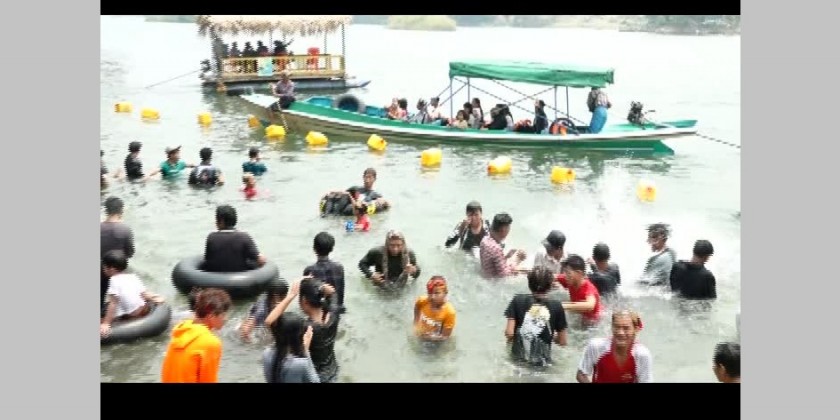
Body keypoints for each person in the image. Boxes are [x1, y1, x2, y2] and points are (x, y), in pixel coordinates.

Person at [265, 277, 341, 383]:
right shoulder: (334, 316)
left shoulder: (306, 327)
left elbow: (270, 321)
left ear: (304, 301)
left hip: (313, 376)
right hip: (332, 372)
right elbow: (333, 292)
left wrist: (291, 295)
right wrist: (319, 286)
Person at [161, 288, 233, 383]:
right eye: (223, 314)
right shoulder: (209, 342)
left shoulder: (182, 329)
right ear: (211, 316)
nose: (226, 318)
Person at [504, 267, 568, 366]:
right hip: (542, 364)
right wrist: (551, 335)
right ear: (550, 286)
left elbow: (509, 333)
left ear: (529, 285)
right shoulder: (557, 306)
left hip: (518, 360)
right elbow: (563, 341)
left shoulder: (517, 300)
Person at [100, 250, 164, 338]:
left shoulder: (114, 281)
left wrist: (106, 323)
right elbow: (144, 294)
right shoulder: (133, 277)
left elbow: (113, 304)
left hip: (132, 315)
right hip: (144, 310)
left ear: (111, 269)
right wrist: (155, 298)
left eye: (104, 267)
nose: (103, 270)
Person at [576, 310, 652, 383]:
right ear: (612, 327)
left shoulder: (642, 354)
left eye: (626, 328)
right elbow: (581, 374)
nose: (620, 332)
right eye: (616, 327)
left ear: (636, 329)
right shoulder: (596, 346)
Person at [203, 205, 267, 273]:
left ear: (221, 221)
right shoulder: (244, 237)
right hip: (241, 279)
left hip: (214, 279)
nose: (215, 222)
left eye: (216, 220)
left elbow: (207, 260)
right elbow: (260, 261)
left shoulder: (211, 237)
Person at [101, 197, 135, 315]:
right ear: (121, 211)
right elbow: (130, 253)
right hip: (118, 269)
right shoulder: (125, 229)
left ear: (106, 210)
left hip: (102, 269)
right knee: (120, 299)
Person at [265, 313, 320, 383]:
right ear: (298, 337)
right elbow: (316, 381)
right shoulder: (299, 364)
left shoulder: (267, 353)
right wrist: (305, 350)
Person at [302, 232, 346, 313]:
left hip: (319, 313)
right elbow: (341, 297)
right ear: (332, 249)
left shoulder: (309, 270)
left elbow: (304, 301)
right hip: (337, 311)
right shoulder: (339, 268)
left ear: (314, 248)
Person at [321, 168, 390, 216]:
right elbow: (343, 193)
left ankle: (335, 215)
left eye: (370, 178)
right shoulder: (356, 188)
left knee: (348, 197)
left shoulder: (374, 194)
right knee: (334, 196)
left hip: (355, 209)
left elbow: (386, 204)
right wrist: (330, 192)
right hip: (344, 207)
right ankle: (327, 215)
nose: (367, 180)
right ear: (363, 177)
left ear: (374, 179)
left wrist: (384, 202)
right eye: (366, 177)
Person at [556, 255, 603, 325]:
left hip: (594, 323)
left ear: (579, 273)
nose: (565, 276)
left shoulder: (589, 288)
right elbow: (551, 277)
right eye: (565, 272)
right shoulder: (569, 279)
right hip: (580, 316)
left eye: (568, 273)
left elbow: (590, 305)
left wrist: (562, 306)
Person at [479, 213, 527, 278]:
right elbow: (504, 275)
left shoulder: (484, 240)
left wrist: (506, 257)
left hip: (486, 276)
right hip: (494, 283)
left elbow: (493, 263)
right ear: (503, 229)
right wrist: (517, 260)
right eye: (508, 227)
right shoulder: (496, 248)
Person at [414, 276, 456, 342]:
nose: (432, 297)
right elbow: (417, 308)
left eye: (437, 293)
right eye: (429, 293)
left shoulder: (449, 312)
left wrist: (431, 338)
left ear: (445, 293)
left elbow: (445, 337)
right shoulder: (422, 301)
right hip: (423, 335)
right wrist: (416, 325)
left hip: (437, 342)